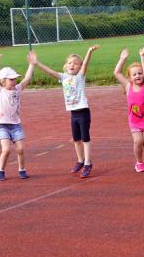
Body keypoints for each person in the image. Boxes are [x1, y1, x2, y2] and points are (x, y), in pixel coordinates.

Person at [29, 45, 99, 178]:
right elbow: (50, 72)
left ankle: (88, 163)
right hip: (73, 113)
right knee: (76, 139)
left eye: (75, 63)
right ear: (66, 66)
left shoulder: (80, 77)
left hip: (83, 112)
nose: (72, 65)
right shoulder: (63, 77)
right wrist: (37, 63)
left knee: (85, 139)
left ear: (79, 67)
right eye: (69, 63)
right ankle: (80, 160)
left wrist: (89, 51)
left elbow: (86, 64)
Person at [0, 47, 36, 181]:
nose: (14, 81)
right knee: (6, 150)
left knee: (21, 149)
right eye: (11, 79)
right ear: (3, 81)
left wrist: (31, 65)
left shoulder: (17, 89)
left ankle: (22, 169)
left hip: (16, 125)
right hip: (2, 125)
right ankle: (1, 170)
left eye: (15, 78)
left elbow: (27, 79)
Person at [114, 46, 144, 172]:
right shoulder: (128, 87)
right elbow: (116, 73)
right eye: (134, 74)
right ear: (130, 77)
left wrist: (142, 56)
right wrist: (122, 59)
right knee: (138, 142)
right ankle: (139, 162)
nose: (138, 75)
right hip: (135, 121)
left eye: (140, 73)